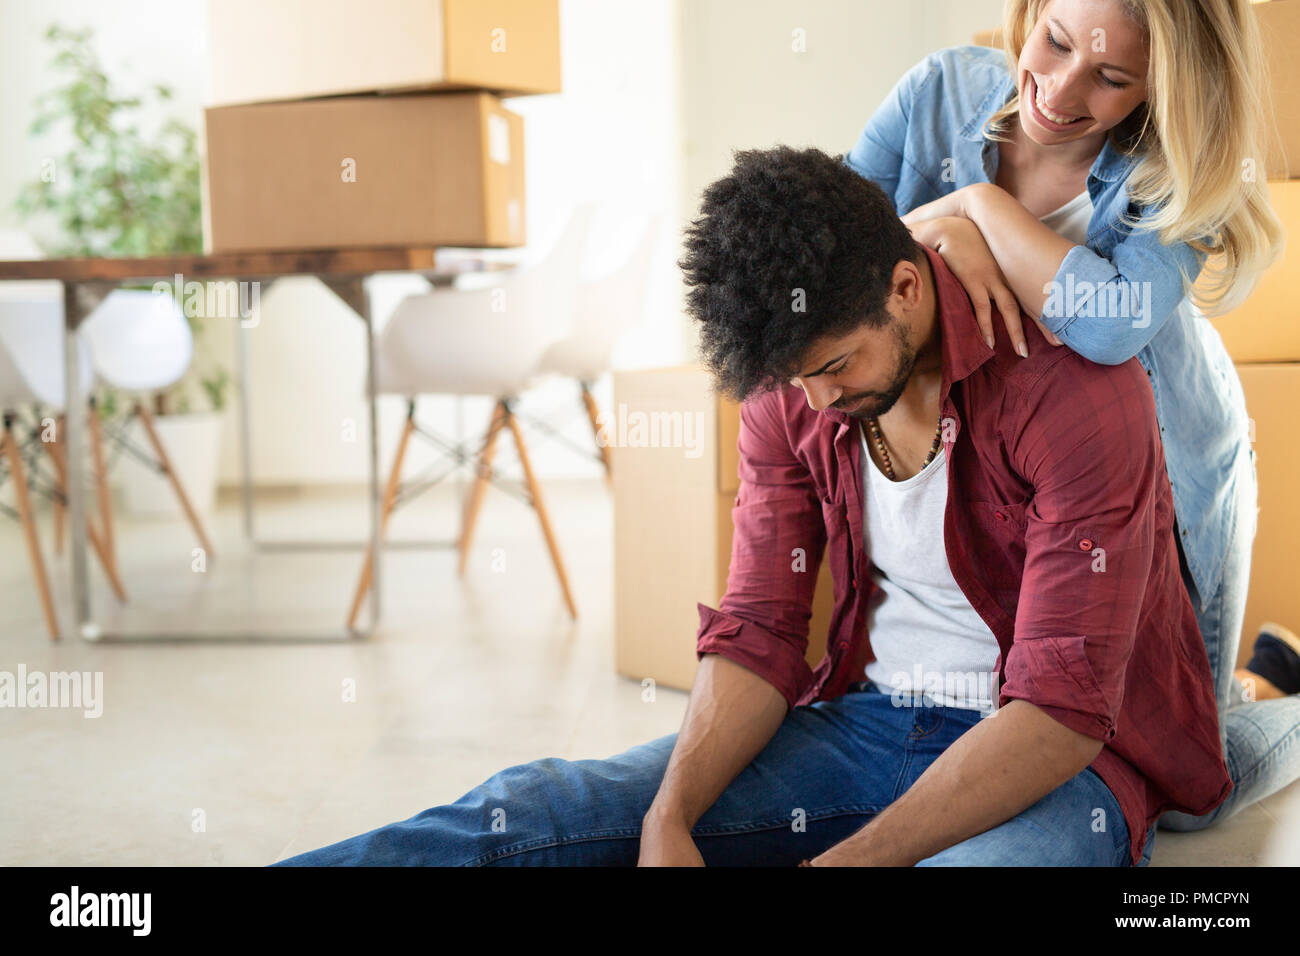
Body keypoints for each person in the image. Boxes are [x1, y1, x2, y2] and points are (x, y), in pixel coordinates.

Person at [273, 146, 1229, 866]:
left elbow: (1062, 712)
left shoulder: (1072, 392)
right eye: (790, 381)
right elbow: (763, 628)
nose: (813, 404)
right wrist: (669, 815)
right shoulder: (790, 391)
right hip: (867, 725)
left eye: (833, 368)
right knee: (540, 810)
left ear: (905, 288)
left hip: (1063, 767)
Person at [846, 0, 1300, 831]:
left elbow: (1108, 324)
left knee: (1190, 790)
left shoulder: (1174, 170)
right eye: (1052, 41)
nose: (1057, 90)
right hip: (1000, 468)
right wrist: (944, 232)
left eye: (1112, 78)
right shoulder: (936, 96)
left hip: (1170, 473)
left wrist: (981, 207)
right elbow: (839, 267)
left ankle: (1288, 692)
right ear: (1032, 12)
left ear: (1163, 88)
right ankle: (1263, 672)